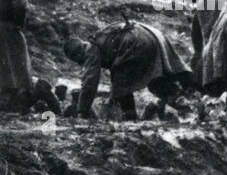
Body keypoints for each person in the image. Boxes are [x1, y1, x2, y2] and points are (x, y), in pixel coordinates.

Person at [63, 20, 194, 120]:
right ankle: (185, 105)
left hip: (136, 43)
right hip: (149, 35)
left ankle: (130, 118)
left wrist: (82, 111)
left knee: (120, 84)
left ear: (78, 55)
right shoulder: (99, 38)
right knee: (154, 80)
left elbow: (90, 82)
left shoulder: (91, 50)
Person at [0, 0, 34, 111]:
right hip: (6, 27)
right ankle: (13, 101)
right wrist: (18, 25)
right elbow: (20, 5)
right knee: (16, 66)